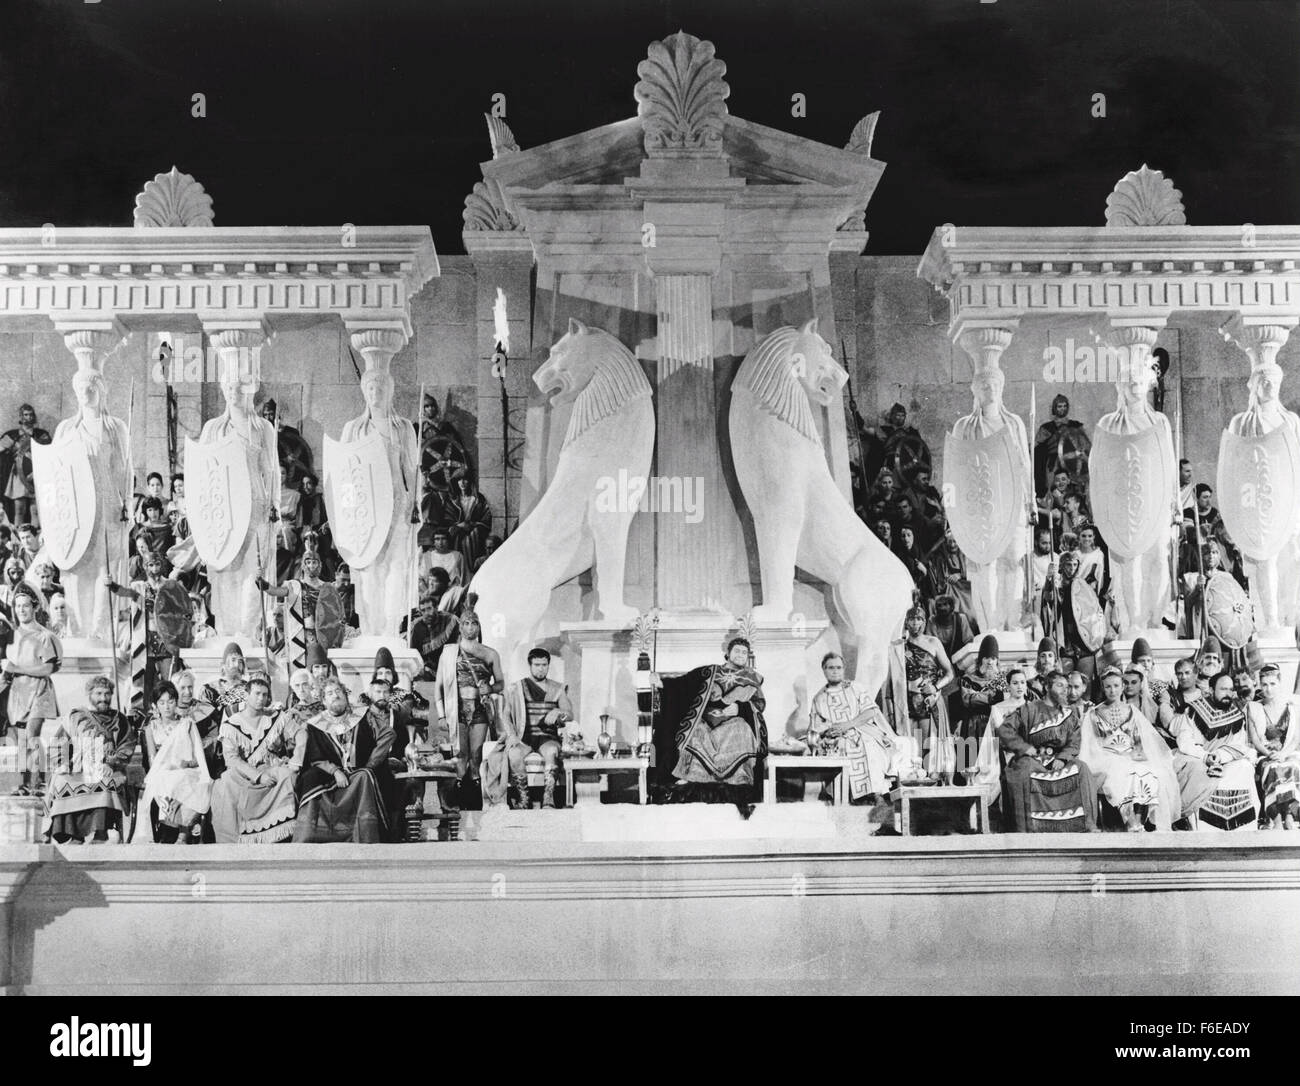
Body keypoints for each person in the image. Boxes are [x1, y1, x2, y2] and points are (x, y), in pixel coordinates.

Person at [341, 368, 417, 636]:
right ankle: (372, 629)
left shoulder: (402, 427)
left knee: (396, 567)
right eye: (371, 388)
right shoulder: (354, 428)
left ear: (390, 392)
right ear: (365, 392)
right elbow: (344, 475)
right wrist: (349, 512)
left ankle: (391, 629)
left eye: (381, 388)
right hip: (366, 509)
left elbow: (412, 471)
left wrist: (414, 504)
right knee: (370, 571)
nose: (376, 393)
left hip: (398, 505)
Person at [655, 637, 767, 811]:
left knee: (743, 728)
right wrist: (663, 683)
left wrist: (739, 707)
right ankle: (691, 776)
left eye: (744, 652)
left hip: (734, 720)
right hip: (705, 720)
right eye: (737, 651)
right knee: (694, 728)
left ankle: (739, 779)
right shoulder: (711, 671)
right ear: (727, 654)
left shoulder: (752, 678)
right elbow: (684, 684)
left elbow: (760, 705)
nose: (740, 655)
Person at [294, 676, 400, 843]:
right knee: (310, 778)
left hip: (359, 771)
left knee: (366, 775)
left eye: (338, 691)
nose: (335, 695)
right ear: (323, 700)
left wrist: (371, 763)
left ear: (345, 695)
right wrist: (335, 771)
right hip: (330, 775)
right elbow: (315, 757)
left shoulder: (363, 715)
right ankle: (312, 835)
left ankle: (365, 835)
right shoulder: (315, 724)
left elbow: (388, 734)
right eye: (329, 693)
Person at [808, 652, 919, 803]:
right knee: (841, 747)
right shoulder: (819, 698)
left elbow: (871, 711)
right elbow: (815, 727)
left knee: (869, 745)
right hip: (835, 736)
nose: (835, 671)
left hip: (862, 729)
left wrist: (848, 725)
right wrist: (829, 731)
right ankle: (850, 796)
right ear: (824, 670)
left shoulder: (855, 687)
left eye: (839, 667)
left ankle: (875, 793)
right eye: (831, 667)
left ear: (844, 669)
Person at [1079, 667, 1181, 832]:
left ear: (1122, 687)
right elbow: (1090, 744)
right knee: (1118, 770)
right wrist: (1109, 755)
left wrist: (1137, 755)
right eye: (1108, 686)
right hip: (1105, 758)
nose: (1112, 690)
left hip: (1130, 756)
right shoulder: (1094, 713)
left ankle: (1138, 822)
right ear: (1103, 688)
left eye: (1116, 685)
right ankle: (1130, 820)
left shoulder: (1132, 711)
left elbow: (1139, 740)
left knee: (1147, 772)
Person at [996, 670, 1097, 832]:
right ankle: (1028, 828)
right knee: (1023, 771)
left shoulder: (1069, 714)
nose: (1065, 690)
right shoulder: (1029, 709)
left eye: (1067, 687)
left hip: (1058, 759)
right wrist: (1025, 748)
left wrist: (1063, 758)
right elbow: (1004, 730)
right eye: (1060, 686)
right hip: (1032, 759)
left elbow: (1074, 742)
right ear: (1047, 687)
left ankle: (1085, 825)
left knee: (1081, 769)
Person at [209, 673, 302, 843]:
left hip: (270, 765)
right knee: (226, 784)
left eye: (265, 695)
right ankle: (236, 840)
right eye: (257, 694)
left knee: (287, 775)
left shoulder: (276, 717)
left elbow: (301, 734)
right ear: (246, 695)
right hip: (243, 772)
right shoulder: (230, 724)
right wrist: (258, 777)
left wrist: (296, 760)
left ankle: (280, 836)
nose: (261, 698)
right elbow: (232, 760)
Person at [42, 675, 135, 844]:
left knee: (102, 780)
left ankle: (101, 833)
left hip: (107, 767)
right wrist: (63, 762)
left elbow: (127, 745)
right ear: (89, 694)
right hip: (79, 766)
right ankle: (74, 834)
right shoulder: (76, 717)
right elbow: (58, 743)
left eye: (107, 694)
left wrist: (111, 763)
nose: (103, 698)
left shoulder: (119, 719)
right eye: (98, 693)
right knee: (62, 782)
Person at [1175, 672, 1260, 831]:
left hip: (1223, 760)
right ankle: (1203, 828)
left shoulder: (1236, 714)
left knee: (1244, 767)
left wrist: (1219, 756)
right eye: (1223, 689)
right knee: (1200, 772)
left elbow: (1239, 744)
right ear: (1211, 690)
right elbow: (1184, 742)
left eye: (1230, 689)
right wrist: (1206, 756)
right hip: (1197, 759)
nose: (1228, 694)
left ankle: (1241, 829)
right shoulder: (1193, 710)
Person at [434, 610, 502, 796]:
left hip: (480, 709)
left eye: (474, 623)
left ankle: (476, 798)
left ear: (479, 626)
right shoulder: (449, 653)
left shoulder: (490, 654)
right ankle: (458, 800)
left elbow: (500, 683)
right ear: (460, 626)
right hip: (456, 709)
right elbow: (439, 687)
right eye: (466, 623)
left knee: (476, 755)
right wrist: (441, 715)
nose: (470, 627)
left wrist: (490, 689)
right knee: (460, 754)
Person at [136, 680, 213, 844]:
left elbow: (198, 758)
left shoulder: (187, 724)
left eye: (170, 702)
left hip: (188, 770)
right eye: (162, 702)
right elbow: (152, 760)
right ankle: (170, 830)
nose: (167, 707)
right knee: (167, 780)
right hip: (162, 772)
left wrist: (184, 765)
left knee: (186, 781)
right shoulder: (151, 729)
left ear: (176, 702)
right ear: (156, 705)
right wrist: (166, 769)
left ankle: (183, 833)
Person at [2, 586, 62, 797]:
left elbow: (48, 668)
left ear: (34, 607)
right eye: (18, 606)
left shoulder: (45, 636)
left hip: (39, 690)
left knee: (32, 735)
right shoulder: (11, 635)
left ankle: (38, 782)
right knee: (19, 738)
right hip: (18, 691)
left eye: (25, 605)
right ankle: (25, 783)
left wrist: (16, 669)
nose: (21, 610)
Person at [498, 647, 574, 809]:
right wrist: (511, 735)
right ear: (530, 665)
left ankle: (548, 798)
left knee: (552, 752)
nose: (541, 668)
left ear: (548, 665)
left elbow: (570, 714)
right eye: (537, 665)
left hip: (548, 737)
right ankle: (524, 799)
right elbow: (506, 714)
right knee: (514, 754)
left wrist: (559, 711)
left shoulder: (557, 689)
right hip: (523, 736)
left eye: (544, 665)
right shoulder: (517, 688)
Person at [887, 606, 956, 780]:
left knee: (929, 744)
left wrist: (936, 687)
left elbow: (950, 673)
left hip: (928, 701)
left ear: (924, 621)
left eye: (919, 619)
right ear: (906, 622)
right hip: (905, 702)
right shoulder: (898, 647)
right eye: (912, 619)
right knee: (910, 747)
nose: (915, 623)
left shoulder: (933, 643)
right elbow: (891, 680)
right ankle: (911, 780)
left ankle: (932, 781)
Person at [1151, 657, 1217, 828]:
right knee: (1192, 767)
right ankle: (1179, 815)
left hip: (1203, 744)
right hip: (1177, 745)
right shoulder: (1170, 696)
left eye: (1187, 673)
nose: (1183, 677)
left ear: (1196, 674)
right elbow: (1168, 721)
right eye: (1179, 674)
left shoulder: (1206, 695)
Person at [1247, 664, 1300, 828]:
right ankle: (1276, 818)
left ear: (1280, 683)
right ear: (1259, 685)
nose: (1268, 689)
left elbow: (1296, 738)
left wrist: (1283, 753)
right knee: (1273, 768)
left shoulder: (1292, 707)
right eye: (1264, 685)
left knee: (1292, 766)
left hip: (1288, 753)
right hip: (1265, 755)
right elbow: (1254, 740)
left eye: (1272, 684)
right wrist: (1269, 754)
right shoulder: (1254, 707)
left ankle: (1290, 816)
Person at [958, 636, 1006, 784]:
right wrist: (992, 696)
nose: (990, 662)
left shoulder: (1002, 679)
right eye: (986, 658)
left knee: (994, 769)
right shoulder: (968, 679)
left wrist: (981, 696)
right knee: (969, 767)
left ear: (997, 660)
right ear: (980, 660)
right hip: (972, 726)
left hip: (993, 727)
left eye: (993, 658)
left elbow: (1005, 700)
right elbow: (968, 700)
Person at [0, 404, 52, 527]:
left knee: (36, 510)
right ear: (21, 417)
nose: (28, 417)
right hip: (19, 475)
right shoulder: (12, 435)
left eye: (31, 414)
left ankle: (37, 536)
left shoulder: (42, 435)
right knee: (19, 509)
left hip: (38, 475)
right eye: (25, 415)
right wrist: (10, 445)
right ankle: (19, 540)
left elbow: (51, 452)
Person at [448, 476, 492, 575]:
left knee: (473, 537)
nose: (462, 483)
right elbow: (448, 519)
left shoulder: (478, 499)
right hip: (458, 534)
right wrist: (460, 525)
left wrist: (474, 524)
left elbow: (486, 516)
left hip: (475, 533)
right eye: (460, 480)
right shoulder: (453, 500)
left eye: (465, 479)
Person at [410, 592, 460, 680]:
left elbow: (457, 647)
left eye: (429, 608)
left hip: (449, 666)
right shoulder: (417, 626)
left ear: (436, 608)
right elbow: (413, 653)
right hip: (427, 670)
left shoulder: (449, 620)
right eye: (423, 610)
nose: (426, 613)